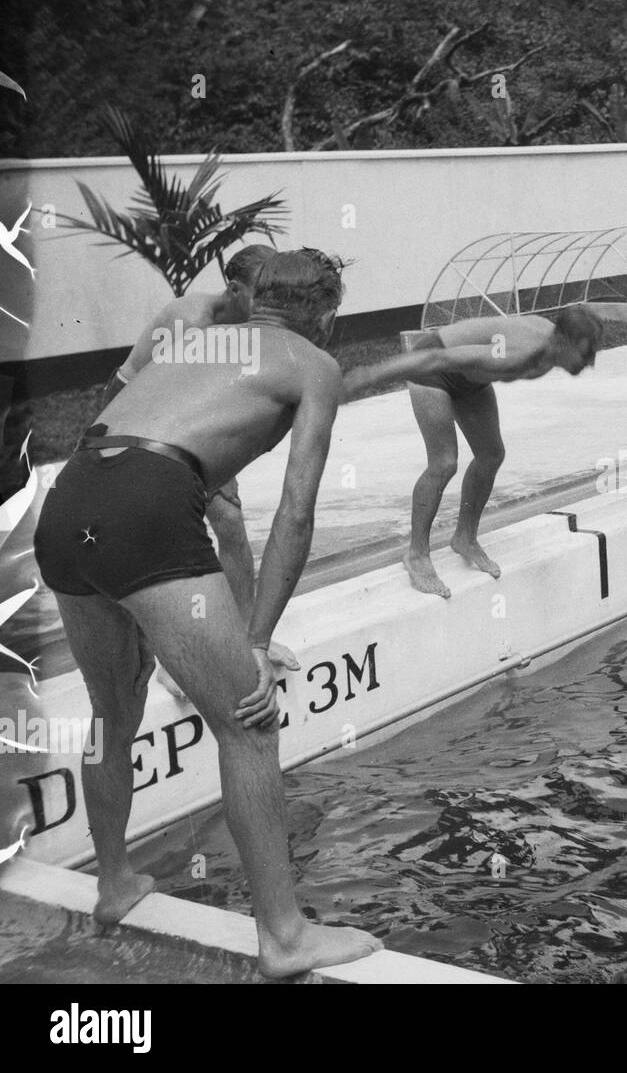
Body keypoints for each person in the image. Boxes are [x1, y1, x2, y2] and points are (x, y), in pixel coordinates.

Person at [33, 249, 382, 978]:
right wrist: (256, 637)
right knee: (248, 722)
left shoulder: (197, 340)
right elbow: (295, 511)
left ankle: (114, 881)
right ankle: (285, 935)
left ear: (257, 300)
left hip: (69, 496)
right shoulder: (313, 363)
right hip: (147, 500)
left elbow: (126, 413)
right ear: (327, 313)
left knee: (113, 710)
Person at [101, 243, 299, 683]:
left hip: (186, 425)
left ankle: (249, 636)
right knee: (159, 537)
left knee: (229, 523)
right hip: (127, 421)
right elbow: (151, 401)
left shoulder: (252, 323)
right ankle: (167, 660)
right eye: (260, 295)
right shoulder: (190, 321)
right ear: (233, 289)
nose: (270, 306)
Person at [341, 307, 603, 595]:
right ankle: (416, 554)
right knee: (444, 463)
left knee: (491, 455)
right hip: (435, 370)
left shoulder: (548, 348)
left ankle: (464, 538)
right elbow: (438, 358)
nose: (589, 363)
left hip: (469, 381)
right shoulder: (519, 352)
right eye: (586, 353)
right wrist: (369, 375)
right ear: (563, 343)